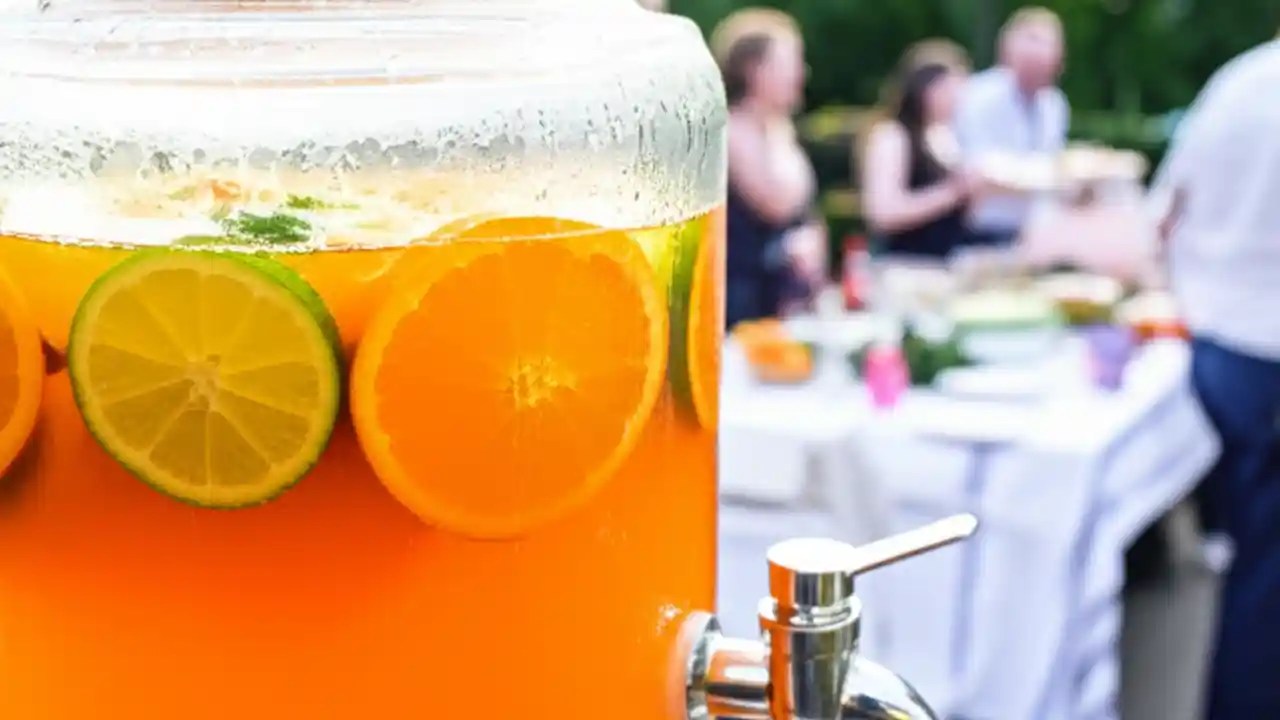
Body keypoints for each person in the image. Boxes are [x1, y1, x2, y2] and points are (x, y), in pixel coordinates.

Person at [1153, 38, 1280, 719]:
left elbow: (1163, 212)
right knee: (1266, 572)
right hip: (1267, 352)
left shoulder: (1235, 81)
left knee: (1249, 556)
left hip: (1220, 347)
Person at [712, 9, 825, 328]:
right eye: (789, 63)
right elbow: (776, 203)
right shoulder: (733, 130)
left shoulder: (780, 130)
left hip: (783, 302)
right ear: (753, 69)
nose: (801, 74)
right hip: (743, 305)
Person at [955, 7, 1068, 247]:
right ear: (1007, 52)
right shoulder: (978, 95)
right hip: (981, 229)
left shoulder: (1055, 104)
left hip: (1033, 232)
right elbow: (979, 166)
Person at [862, 43, 976, 259]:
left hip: (944, 261)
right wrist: (951, 193)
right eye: (951, 90)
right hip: (902, 265)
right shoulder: (893, 136)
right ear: (927, 89)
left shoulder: (945, 137)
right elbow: (883, 213)